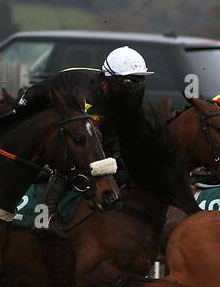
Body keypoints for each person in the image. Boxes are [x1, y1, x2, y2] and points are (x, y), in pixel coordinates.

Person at [34, 45, 150, 238]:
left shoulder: (121, 100)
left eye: (138, 83)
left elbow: (116, 136)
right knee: (77, 155)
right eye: (130, 83)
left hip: (91, 138)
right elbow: (82, 141)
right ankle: (47, 215)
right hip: (58, 136)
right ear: (107, 82)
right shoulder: (84, 94)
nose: (134, 89)